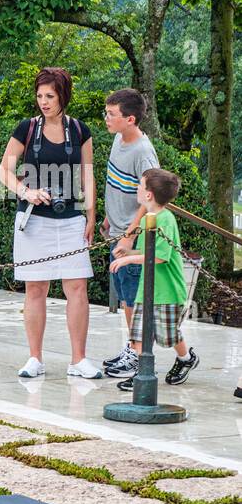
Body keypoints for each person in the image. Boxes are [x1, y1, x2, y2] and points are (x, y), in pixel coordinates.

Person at [0, 67, 102, 379]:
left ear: (63, 96)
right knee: (36, 288)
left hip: (70, 219)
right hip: (33, 221)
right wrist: (26, 191)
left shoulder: (80, 130)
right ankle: (35, 358)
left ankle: (79, 360)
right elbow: (4, 170)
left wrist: (91, 214)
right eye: (40, 95)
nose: (43, 102)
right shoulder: (26, 128)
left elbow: (88, 174)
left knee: (77, 287)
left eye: (50, 96)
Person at [111, 168, 200, 389]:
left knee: (168, 335)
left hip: (168, 291)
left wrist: (127, 261)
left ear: (148, 194)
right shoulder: (148, 219)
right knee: (138, 334)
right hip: (147, 290)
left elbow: (159, 256)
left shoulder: (165, 219)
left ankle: (186, 358)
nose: (137, 189)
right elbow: (146, 251)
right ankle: (143, 374)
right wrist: (128, 253)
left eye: (140, 185)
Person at [101, 88, 161, 377]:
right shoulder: (118, 140)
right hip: (115, 229)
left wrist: (129, 235)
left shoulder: (143, 153)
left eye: (112, 114)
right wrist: (107, 217)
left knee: (132, 299)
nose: (106, 119)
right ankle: (132, 347)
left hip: (131, 238)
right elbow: (116, 182)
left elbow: (152, 199)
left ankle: (138, 354)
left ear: (131, 119)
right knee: (125, 295)